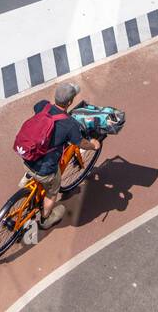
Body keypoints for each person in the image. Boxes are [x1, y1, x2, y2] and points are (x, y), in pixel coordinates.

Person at [16, 81, 99, 230]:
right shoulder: (69, 124)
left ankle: (27, 179)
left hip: (27, 157)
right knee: (52, 191)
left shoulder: (43, 105)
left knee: (41, 151)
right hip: (45, 170)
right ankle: (45, 220)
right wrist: (93, 145)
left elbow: (38, 111)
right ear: (70, 102)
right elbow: (80, 143)